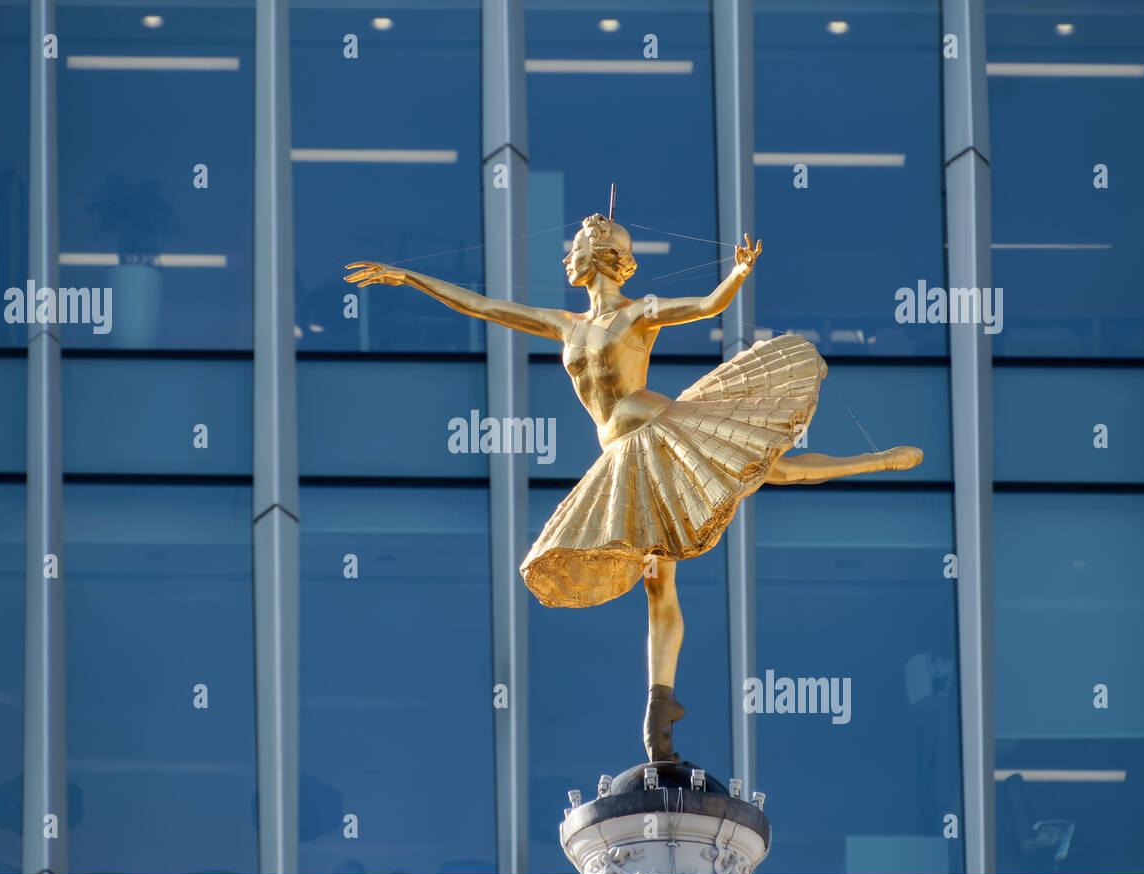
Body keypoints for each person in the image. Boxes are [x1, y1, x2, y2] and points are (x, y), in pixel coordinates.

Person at [345, 213, 922, 762]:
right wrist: (409, 276)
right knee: (657, 581)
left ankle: (880, 460)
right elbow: (486, 307)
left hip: (657, 427)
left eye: (572, 247)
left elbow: (703, 306)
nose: (565, 256)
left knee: (771, 469)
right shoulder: (565, 324)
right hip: (624, 456)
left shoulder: (637, 314)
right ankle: (659, 703)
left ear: (597, 255)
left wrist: (738, 274)